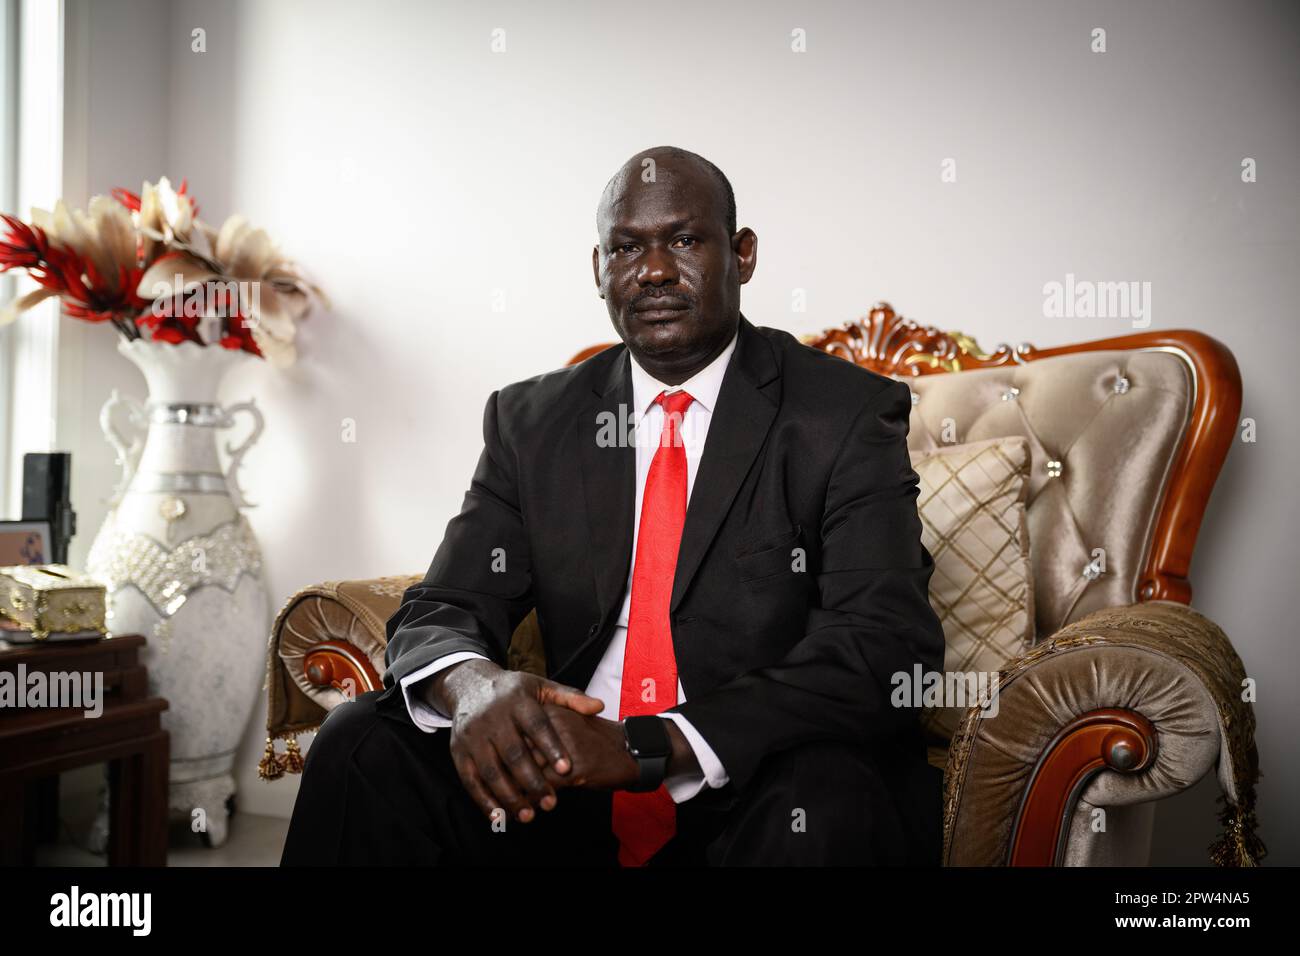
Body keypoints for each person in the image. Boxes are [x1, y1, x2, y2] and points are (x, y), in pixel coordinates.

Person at [281, 145, 945, 867]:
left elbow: (884, 643)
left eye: (685, 240)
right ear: (599, 269)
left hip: (748, 782)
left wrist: (650, 745)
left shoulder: (841, 414)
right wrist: (475, 686)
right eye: (627, 246)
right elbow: (444, 603)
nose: (655, 270)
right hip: (562, 790)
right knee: (361, 745)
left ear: (743, 254)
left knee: (825, 798)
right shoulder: (533, 421)